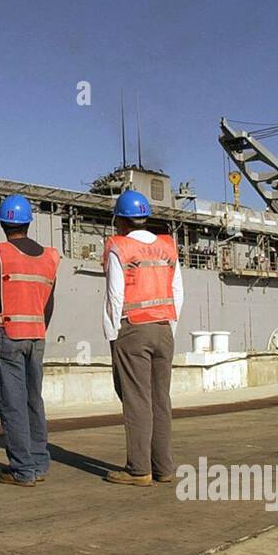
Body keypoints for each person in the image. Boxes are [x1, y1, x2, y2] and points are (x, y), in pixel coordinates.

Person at [102, 190, 183, 485]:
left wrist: (113, 335)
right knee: (161, 399)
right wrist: (170, 327)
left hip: (133, 329)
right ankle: (164, 467)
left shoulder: (119, 247)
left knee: (136, 400)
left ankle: (139, 469)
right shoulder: (167, 246)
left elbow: (115, 295)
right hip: (164, 328)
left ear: (121, 221)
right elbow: (178, 292)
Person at [0, 194, 58, 486]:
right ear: (28, 222)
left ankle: (22, 471)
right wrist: (38, 328)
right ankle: (39, 463)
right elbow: (48, 303)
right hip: (37, 337)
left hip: (7, 336)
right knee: (34, 400)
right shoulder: (50, 256)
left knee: (12, 404)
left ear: (2, 223)